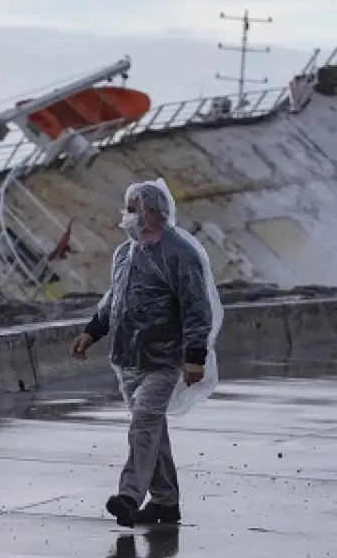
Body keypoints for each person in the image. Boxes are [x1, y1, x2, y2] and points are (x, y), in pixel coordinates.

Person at [70, 179, 223, 528]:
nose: (126, 216)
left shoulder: (180, 254)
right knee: (153, 430)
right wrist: (92, 332)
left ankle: (129, 496)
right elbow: (115, 297)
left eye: (133, 209)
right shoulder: (125, 252)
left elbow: (196, 307)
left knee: (143, 426)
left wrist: (195, 355)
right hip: (129, 357)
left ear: (153, 212)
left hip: (165, 359)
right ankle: (166, 502)